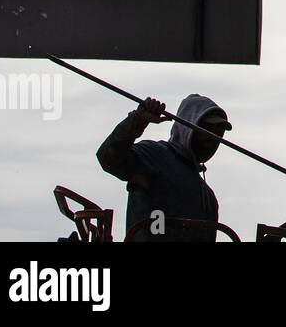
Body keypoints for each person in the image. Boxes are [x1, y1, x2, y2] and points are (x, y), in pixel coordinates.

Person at [96, 93, 232, 242]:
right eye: (208, 128)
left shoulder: (208, 198)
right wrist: (137, 120)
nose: (214, 137)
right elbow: (108, 159)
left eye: (219, 132)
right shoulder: (154, 155)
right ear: (188, 126)